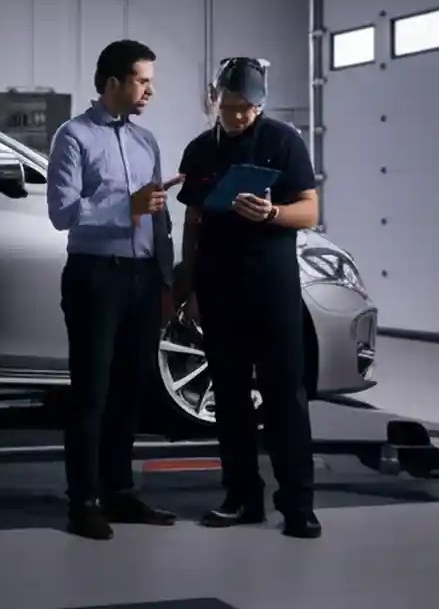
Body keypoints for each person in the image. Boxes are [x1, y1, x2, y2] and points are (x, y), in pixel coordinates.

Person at [174, 57, 322, 539]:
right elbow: (192, 223)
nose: (239, 116)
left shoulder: (284, 141)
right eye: (231, 106)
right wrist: (190, 288)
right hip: (219, 287)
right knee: (231, 400)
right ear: (214, 99)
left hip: (272, 287)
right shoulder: (199, 151)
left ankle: (298, 504)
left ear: (261, 105)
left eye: (248, 108)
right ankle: (242, 497)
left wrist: (272, 211)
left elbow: (310, 212)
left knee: (285, 396)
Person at [46, 39, 180, 540]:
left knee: (131, 392)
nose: (150, 90)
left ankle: (120, 493)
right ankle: (83, 500)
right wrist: (126, 208)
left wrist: (166, 280)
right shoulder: (72, 136)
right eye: (143, 80)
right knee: (92, 394)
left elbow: (159, 217)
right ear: (113, 84)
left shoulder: (147, 142)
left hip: (144, 279)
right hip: (95, 277)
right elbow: (61, 212)